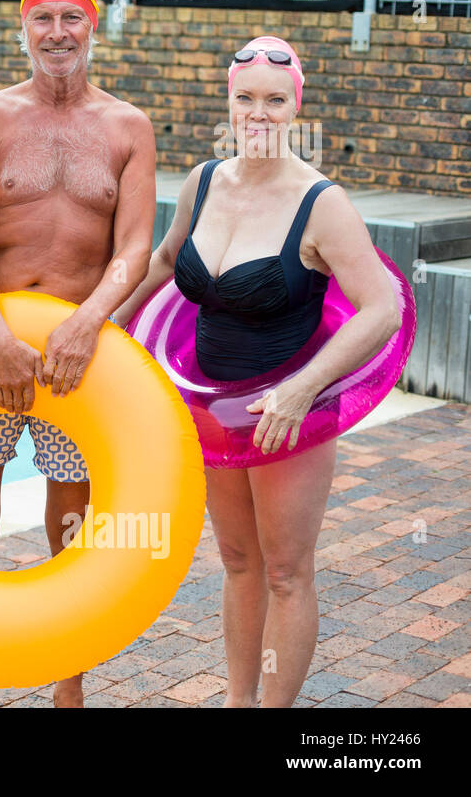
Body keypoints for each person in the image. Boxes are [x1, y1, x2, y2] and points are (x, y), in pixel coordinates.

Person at [116, 36, 400, 707]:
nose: (260, 114)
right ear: (230, 102)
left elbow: (381, 310)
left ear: (295, 106)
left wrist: (300, 391)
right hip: (216, 412)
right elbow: (163, 261)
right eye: (246, 99)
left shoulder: (321, 203)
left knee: (283, 571)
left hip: (287, 418)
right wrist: (105, 323)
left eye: (276, 101)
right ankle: (237, 702)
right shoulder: (205, 182)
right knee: (238, 562)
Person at [0, 0, 157, 708]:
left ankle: (69, 693)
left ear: (93, 24)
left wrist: (90, 322)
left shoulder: (129, 128)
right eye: (43, 19)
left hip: (80, 361)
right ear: (22, 28)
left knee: (72, 533)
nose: (56, 33)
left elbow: (133, 249)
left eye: (71, 18)